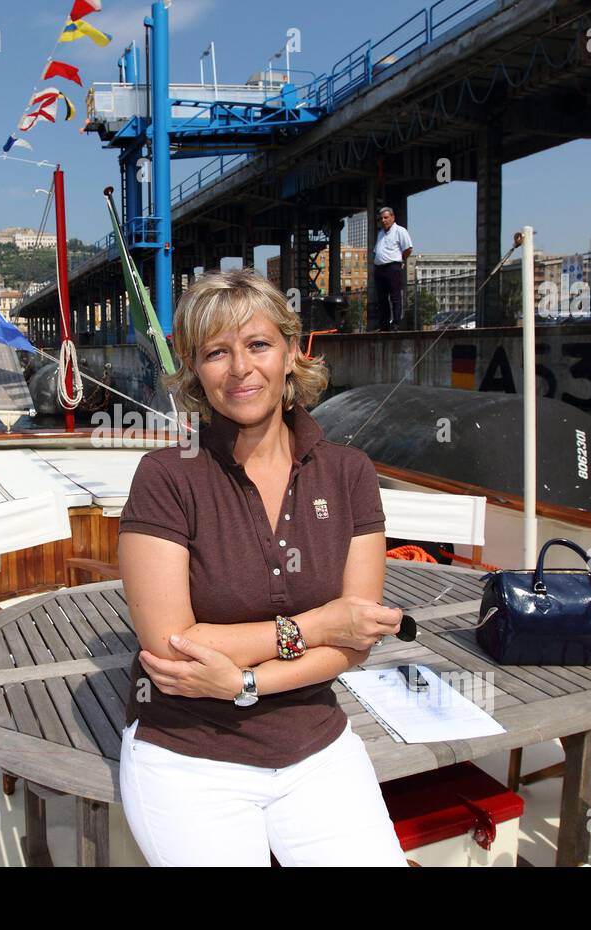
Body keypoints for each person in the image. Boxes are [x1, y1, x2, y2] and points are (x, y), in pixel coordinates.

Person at [116, 268, 408, 866]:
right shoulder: (168, 478)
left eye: (258, 344)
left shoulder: (350, 474)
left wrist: (244, 682)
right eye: (216, 352)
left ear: (293, 353)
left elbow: (358, 642)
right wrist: (319, 625)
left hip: (316, 748)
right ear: (196, 370)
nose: (241, 369)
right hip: (190, 757)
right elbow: (174, 652)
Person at [370, 207, 412, 331]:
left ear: (392, 218)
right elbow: (376, 251)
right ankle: (384, 325)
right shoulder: (380, 234)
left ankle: (396, 323)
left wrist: (400, 260)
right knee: (382, 298)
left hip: (392, 267)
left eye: (386, 217)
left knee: (395, 296)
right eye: (381, 218)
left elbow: (408, 249)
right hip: (380, 268)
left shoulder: (400, 231)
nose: (383, 220)